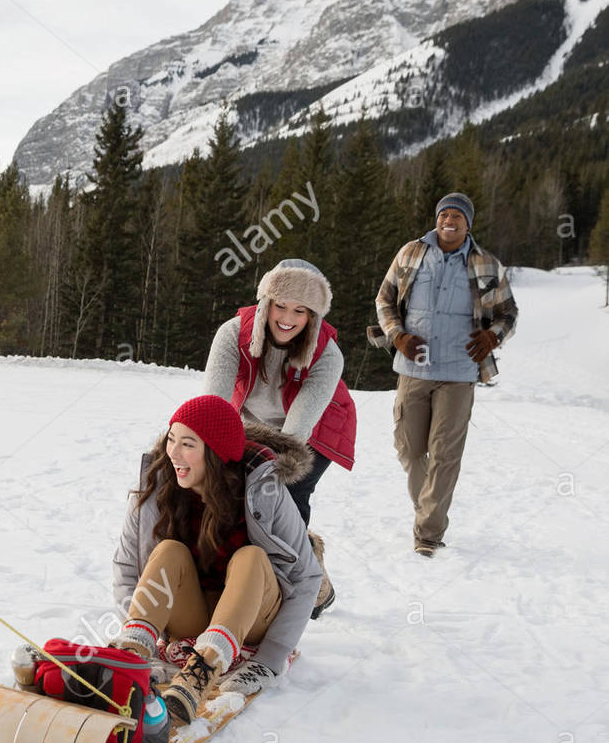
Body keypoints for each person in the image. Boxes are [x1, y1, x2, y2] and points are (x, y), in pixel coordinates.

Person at [110, 395, 323, 725]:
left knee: (251, 557)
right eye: (171, 440)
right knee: (168, 551)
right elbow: (126, 567)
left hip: (251, 619)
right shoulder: (157, 486)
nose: (174, 454)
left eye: (188, 444)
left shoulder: (264, 489)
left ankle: (201, 671)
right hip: (192, 616)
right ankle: (130, 659)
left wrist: (271, 657)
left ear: (216, 452)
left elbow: (307, 576)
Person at [367, 193, 518, 556]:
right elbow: (384, 299)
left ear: (468, 224)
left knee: (445, 453)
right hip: (412, 369)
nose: (449, 221)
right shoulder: (410, 253)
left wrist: (491, 336)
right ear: (437, 219)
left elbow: (508, 313)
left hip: (459, 372)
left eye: (457, 217)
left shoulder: (486, 263)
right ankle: (427, 508)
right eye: (444, 215)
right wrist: (397, 336)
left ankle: (428, 532)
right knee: (409, 448)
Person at [203, 258, 355, 617]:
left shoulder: (327, 354)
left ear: (312, 315)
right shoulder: (232, 334)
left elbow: (296, 435)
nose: (287, 317)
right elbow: (214, 404)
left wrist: (268, 472)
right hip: (251, 423)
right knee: (231, 488)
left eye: (300, 310)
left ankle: (303, 587)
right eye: (280, 305)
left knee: (284, 497)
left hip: (315, 430)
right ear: (266, 302)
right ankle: (237, 580)